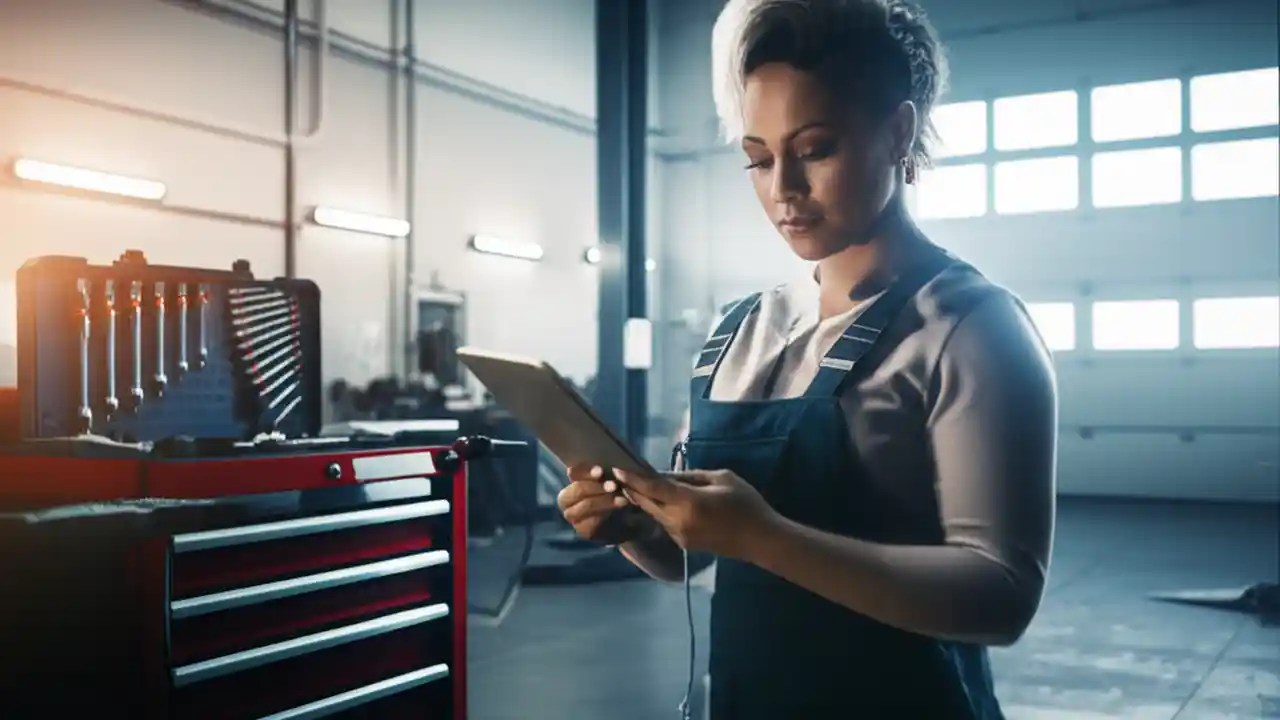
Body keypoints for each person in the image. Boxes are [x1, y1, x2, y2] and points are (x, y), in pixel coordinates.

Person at [557, 0, 1057, 717]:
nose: (783, 189)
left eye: (816, 148)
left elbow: (1001, 595)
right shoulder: (739, 331)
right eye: (759, 159)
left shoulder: (972, 329)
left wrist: (765, 537)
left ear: (897, 133)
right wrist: (635, 528)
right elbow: (691, 553)